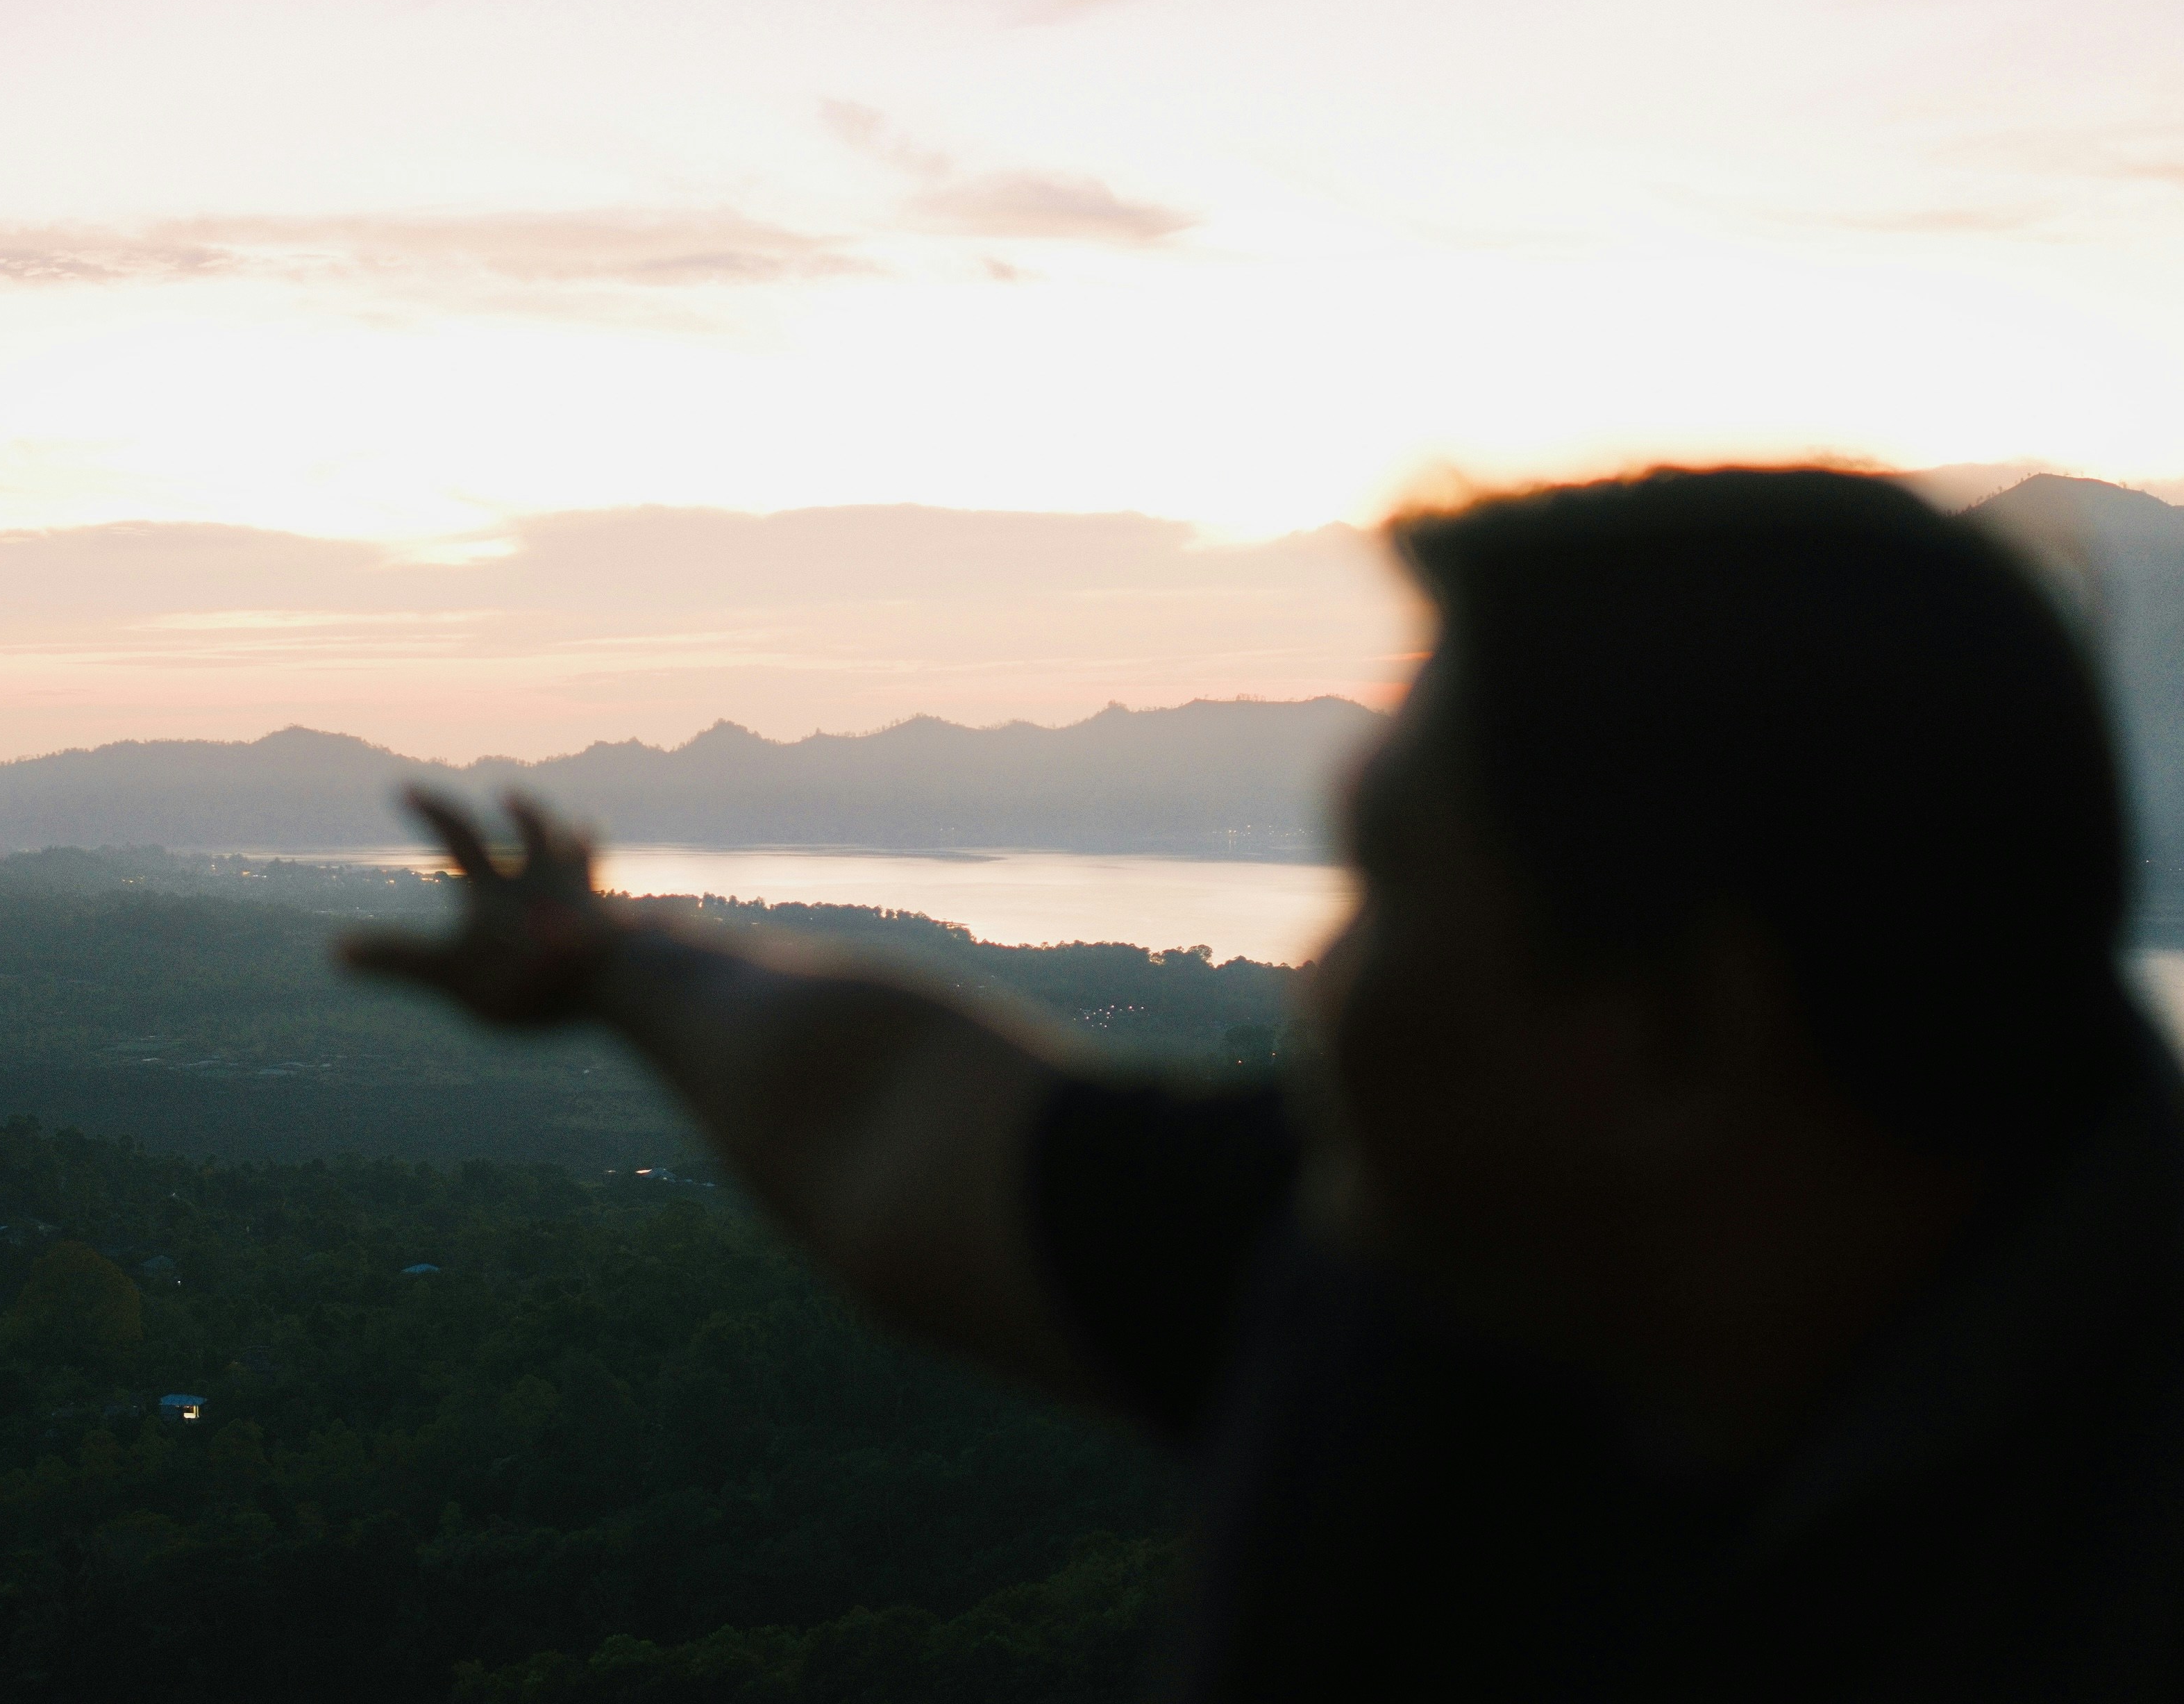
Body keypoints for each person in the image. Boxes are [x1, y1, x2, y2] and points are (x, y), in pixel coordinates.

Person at [344, 467, 2184, 1699]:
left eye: (1383, 893)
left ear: (1676, 1027)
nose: (1315, 975)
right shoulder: (1425, 1273)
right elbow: (897, 1122)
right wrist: (612, 964)